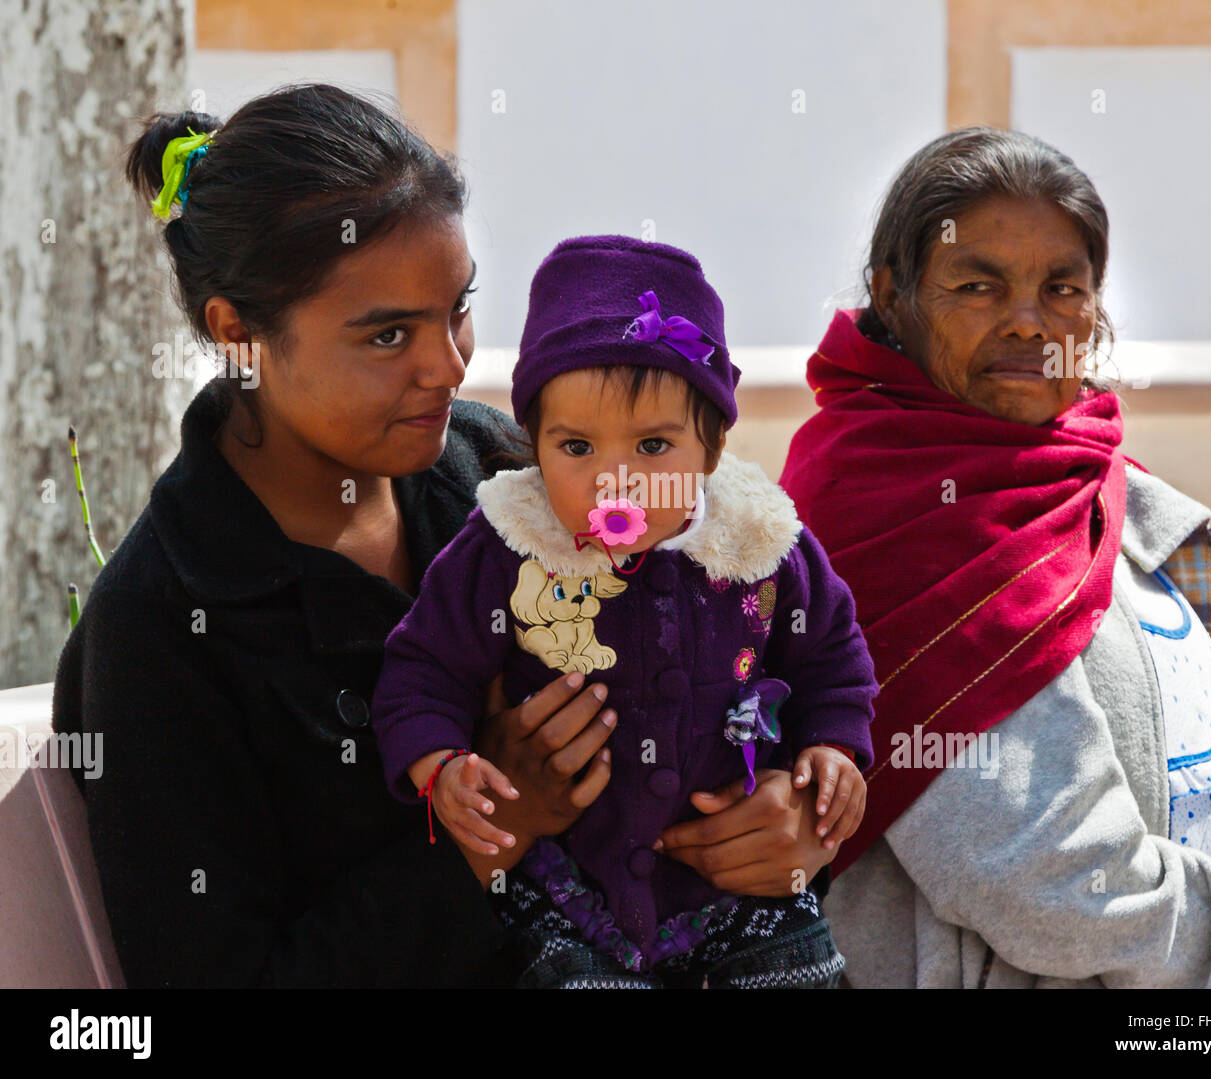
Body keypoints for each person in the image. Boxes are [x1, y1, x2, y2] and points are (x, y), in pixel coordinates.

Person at [50, 84, 843, 988]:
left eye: (456, 308)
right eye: (388, 335)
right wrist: (493, 831)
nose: (450, 362)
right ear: (239, 334)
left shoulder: (501, 475)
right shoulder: (165, 622)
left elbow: (749, 624)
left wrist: (791, 812)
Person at [780, 126, 1211, 988]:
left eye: (1063, 287)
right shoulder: (887, 515)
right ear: (893, 293)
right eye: (978, 285)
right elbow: (1064, 890)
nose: (1029, 319)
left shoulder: (1121, 491)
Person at [370, 235, 878, 988]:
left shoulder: (760, 544)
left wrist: (832, 750)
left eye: (651, 445)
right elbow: (422, 669)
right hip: (570, 890)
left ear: (710, 448)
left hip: (737, 888)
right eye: (576, 445)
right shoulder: (509, 547)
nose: (615, 481)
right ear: (535, 447)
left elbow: (833, 661)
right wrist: (441, 766)